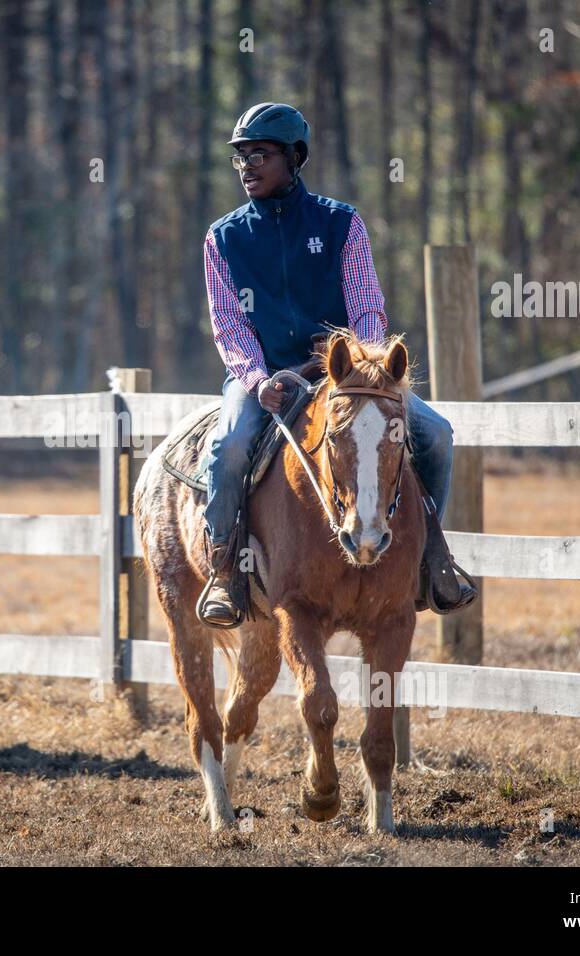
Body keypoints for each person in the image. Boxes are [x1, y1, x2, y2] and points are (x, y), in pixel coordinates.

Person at [198, 102, 476, 626]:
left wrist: (359, 373)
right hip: (264, 379)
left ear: (294, 157)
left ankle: (429, 556)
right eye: (241, 157)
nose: (247, 166)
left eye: (260, 154)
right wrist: (258, 380)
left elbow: (366, 307)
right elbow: (229, 324)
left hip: (349, 380)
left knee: (436, 434)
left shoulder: (341, 223)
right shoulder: (223, 238)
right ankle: (223, 570)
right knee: (230, 444)